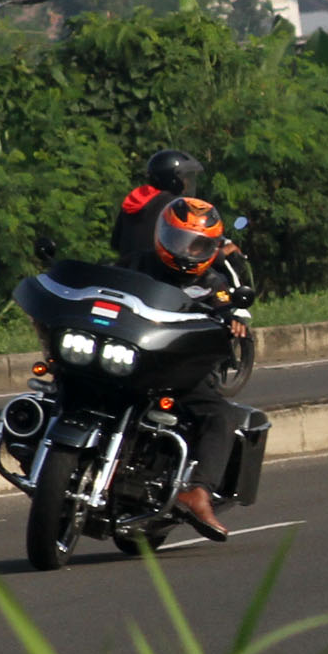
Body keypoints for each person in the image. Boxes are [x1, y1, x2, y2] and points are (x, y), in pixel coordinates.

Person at [123, 197, 248, 541]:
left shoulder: (212, 283)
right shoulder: (135, 264)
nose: (187, 251)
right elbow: (99, 284)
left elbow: (225, 309)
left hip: (176, 372)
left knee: (221, 415)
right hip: (129, 362)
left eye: (198, 244)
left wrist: (233, 321)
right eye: (180, 240)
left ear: (211, 247)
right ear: (163, 234)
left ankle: (197, 492)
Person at [113, 149, 203, 262]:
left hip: (128, 267)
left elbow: (115, 243)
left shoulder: (135, 200)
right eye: (186, 178)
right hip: (160, 270)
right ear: (173, 180)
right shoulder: (177, 206)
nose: (189, 183)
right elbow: (196, 245)